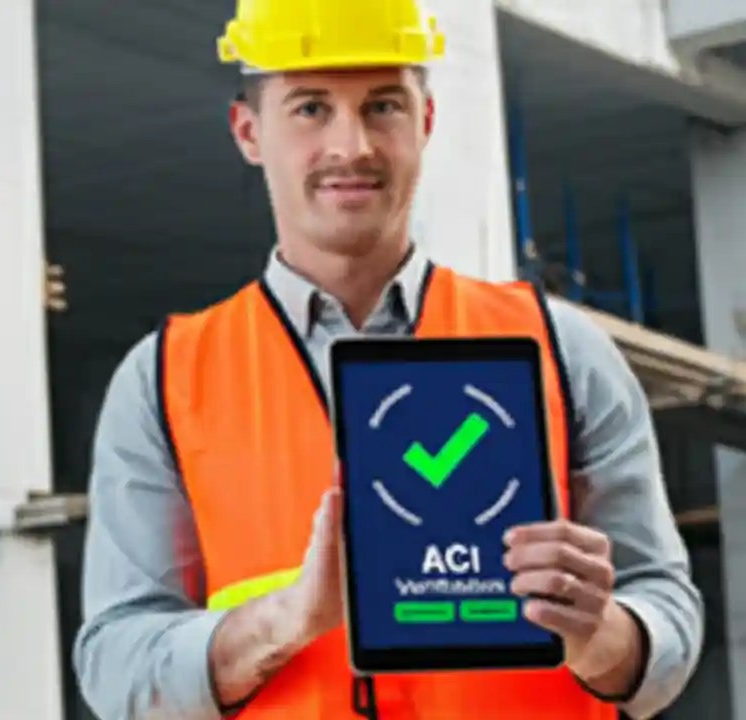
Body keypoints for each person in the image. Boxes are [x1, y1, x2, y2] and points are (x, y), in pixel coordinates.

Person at [71, 1, 704, 718]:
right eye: (311, 108)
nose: (352, 146)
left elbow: (667, 618)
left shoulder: (561, 349)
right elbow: (117, 667)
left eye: (383, 106)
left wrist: (600, 635)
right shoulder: (165, 379)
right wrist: (285, 620)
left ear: (425, 121)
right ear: (249, 132)